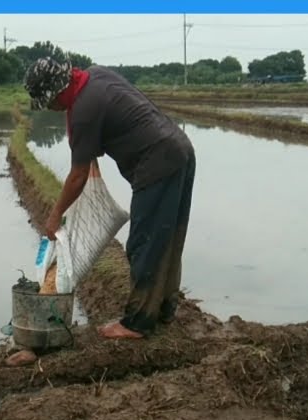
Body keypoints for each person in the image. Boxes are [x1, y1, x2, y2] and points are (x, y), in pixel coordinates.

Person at [24, 57, 197, 340]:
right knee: (168, 238)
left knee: (145, 242)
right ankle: (164, 309)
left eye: (49, 102)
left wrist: (55, 216)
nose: (52, 108)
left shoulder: (83, 112)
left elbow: (78, 175)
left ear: (57, 91)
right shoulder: (94, 76)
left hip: (158, 162)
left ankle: (138, 323)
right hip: (180, 150)